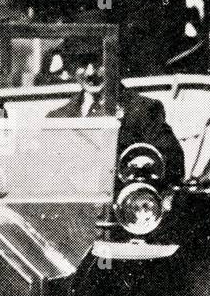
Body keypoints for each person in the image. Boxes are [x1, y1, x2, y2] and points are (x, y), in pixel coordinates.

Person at [47, 14, 185, 186]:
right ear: (72, 66)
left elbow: (173, 161)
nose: (90, 72)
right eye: (82, 62)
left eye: (98, 61)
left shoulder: (144, 110)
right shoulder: (57, 118)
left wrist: (143, 164)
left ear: (115, 61)